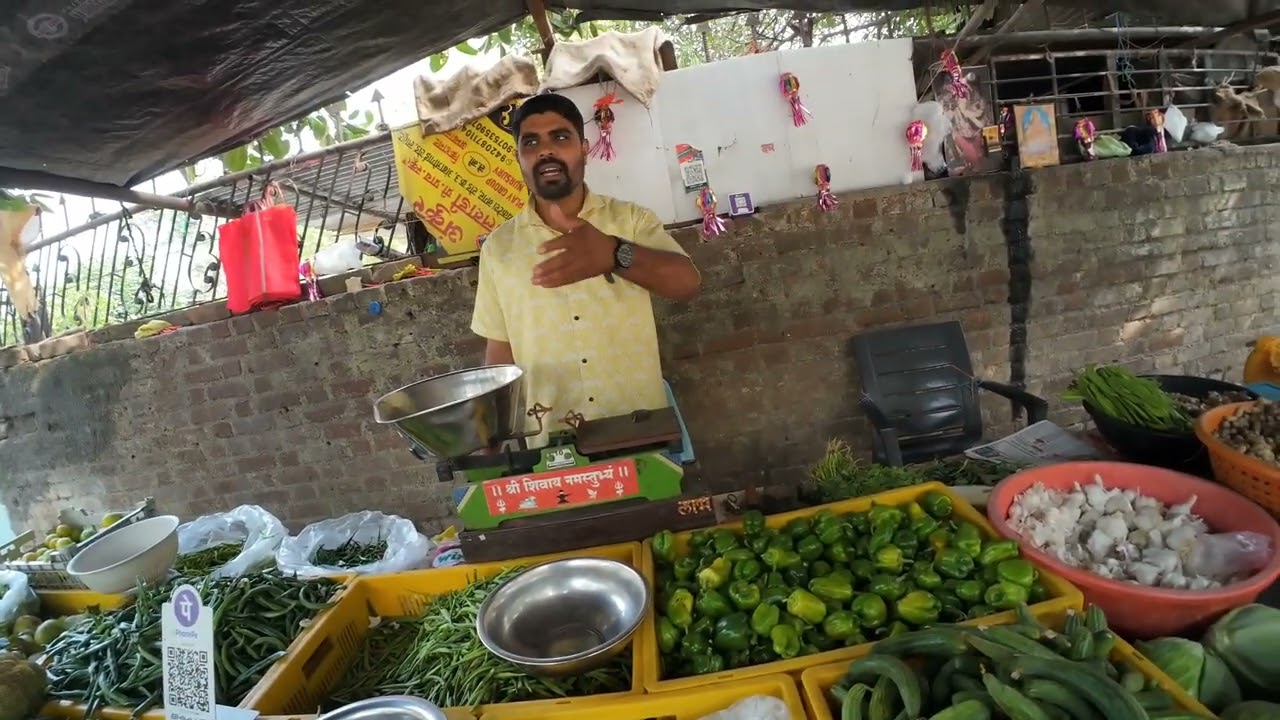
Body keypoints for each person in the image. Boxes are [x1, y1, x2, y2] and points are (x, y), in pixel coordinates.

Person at [470, 92, 702, 448]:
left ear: (584, 148)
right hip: (552, 444)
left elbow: (687, 283)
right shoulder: (499, 249)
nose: (545, 150)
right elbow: (500, 350)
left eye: (560, 137)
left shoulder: (630, 220)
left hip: (638, 427)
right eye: (531, 142)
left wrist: (615, 253)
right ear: (519, 157)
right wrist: (490, 438)